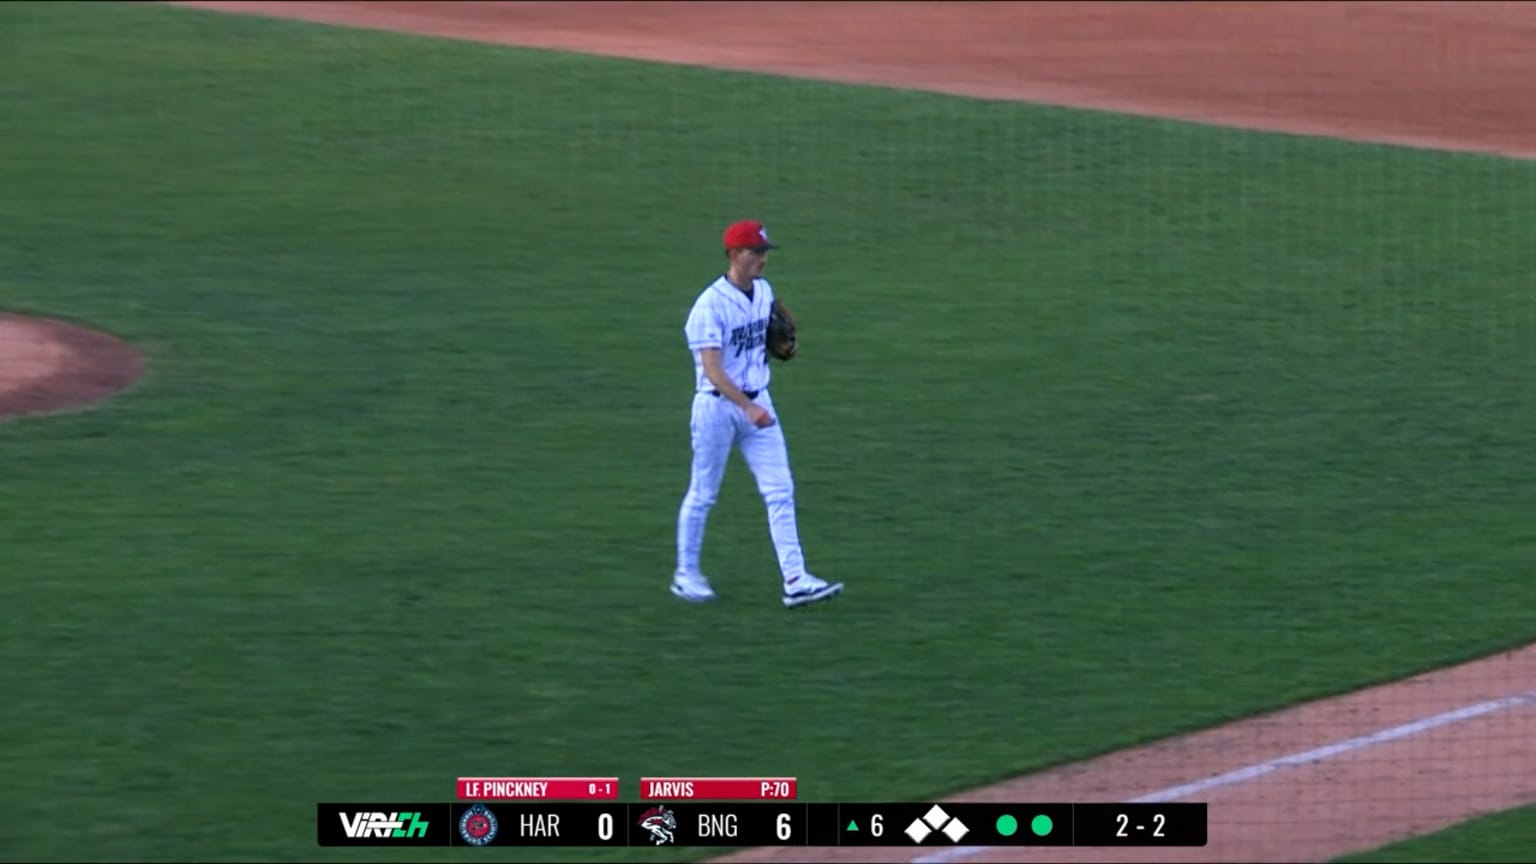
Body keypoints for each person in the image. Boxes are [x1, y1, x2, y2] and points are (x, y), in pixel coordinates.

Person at [672, 219, 844, 608]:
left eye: (765, 252)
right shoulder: (709, 305)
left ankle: (796, 579)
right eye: (757, 252)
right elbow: (713, 369)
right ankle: (686, 573)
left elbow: (763, 338)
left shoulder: (763, 293)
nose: (763, 260)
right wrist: (747, 407)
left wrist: (785, 349)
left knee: (780, 489)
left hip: (759, 403)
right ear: (735, 255)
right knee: (704, 492)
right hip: (717, 408)